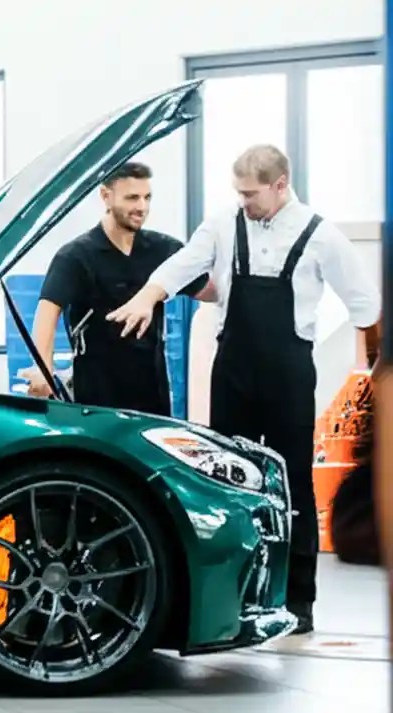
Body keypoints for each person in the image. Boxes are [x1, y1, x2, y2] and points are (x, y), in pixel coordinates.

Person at [105, 144, 382, 634]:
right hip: (232, 370)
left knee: (291, 484)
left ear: (280, 185)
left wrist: (378, 369)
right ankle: (229, 602)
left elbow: (364, 304)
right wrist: (148, 296)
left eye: (250, 194)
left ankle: (299, 603)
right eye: (238, 192)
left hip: (289, 375)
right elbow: (183, 264)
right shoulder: (222, 224)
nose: (243, 202)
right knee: (226, 481)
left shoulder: (321, 235)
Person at [22, 161, 214, 414]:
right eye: (132, 198)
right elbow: (48, 310)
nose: (142, 207)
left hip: (152, 396)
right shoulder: (76, 256)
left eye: (147, 197)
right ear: (106, 196)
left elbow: (209, 291)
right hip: (95, 398)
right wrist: (42, 368)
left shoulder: (164, 250)